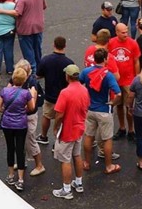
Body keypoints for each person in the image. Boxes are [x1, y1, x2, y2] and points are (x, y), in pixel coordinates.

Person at [80, 48, 122, 176]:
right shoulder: (108, 75)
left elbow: (79, 84)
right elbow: (119, 93)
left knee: (88, 136)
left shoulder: (86, 72)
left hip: (90, 109)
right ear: (105, 59)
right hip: (104, 110)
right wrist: (113, 103)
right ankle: (109, 166)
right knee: (107, 139)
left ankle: (86, 162)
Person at [51, 65, 90, 200]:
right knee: (77, 155)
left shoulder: (65, 93)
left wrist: (55, 127)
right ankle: (78, 183)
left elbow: (59, 114)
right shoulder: (84, 90)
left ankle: (66, 189)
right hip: (79, 128)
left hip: (68, 130)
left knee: (65, 159)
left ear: (67, 76)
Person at [0, 68, 36, 191]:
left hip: (7, 124)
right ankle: (20, 179)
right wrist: (21, 111)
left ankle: (10, 175)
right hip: (21, 125)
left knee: (10, 148)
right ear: (24, 80)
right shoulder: (26, 93)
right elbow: (32, 107)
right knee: (20, 149)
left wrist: (7, 112)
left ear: (13, 79)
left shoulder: (5, 91)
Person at [35, 36, 74, 144]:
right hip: (64, 96)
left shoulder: (46, 60)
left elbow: (38, 75)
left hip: (50, 95)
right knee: (62, 119)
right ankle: (58, 140)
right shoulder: (69, 62)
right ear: (65, 46)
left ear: (54, 45)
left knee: (46, 116)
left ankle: (43, 136)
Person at [106, 23, 140, 140]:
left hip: (128, 81)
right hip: (115, 81)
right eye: (123, 32)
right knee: (119, 106)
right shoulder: (110, 43)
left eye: (126, 31)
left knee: (129, 106)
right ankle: (122, 127)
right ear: (117, 32)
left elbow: (136, 61)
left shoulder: (133, 43)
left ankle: (131, 130)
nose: (126, 34)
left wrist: (137, 77)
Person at [12, 0, 47, 65]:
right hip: (38, 27)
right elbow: (44, 6)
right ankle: (39, 69)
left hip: (25, 29)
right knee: (37, 49)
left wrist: (1, 11)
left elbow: (17, 13)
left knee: (28, 51)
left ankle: (32, 71)